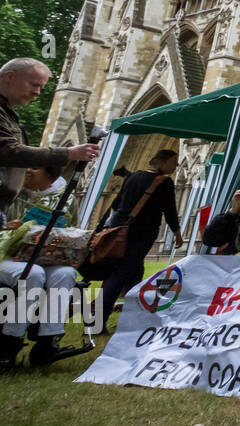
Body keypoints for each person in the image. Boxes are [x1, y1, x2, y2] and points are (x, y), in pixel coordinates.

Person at [0, 166, 86, 368]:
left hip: (43, 257)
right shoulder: (9, 191)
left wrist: (60, 238)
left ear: (51, 175)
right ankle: (10, 342)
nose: (28, 170)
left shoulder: (65, 198)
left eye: (36, 167)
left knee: (66, 273)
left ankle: (48, 342)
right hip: (6, 256)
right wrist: (4, 228)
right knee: (33, 274)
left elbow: (74, 229)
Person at [0, 58, 98, 211]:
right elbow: (8, 150)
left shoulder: (7, 112)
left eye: (41, 87)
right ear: (10, 76)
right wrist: (68, 153)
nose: (37, 92)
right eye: (34, 84)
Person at [97, 149, 183, 324]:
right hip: (142, 233)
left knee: (135, 271)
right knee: (121, 273)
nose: (175, 167)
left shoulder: (133, 177)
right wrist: (177, 233)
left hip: (120, 229)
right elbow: (170, 211)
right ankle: (98, 321)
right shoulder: (164, 183)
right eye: (173, 163)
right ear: (162, 162)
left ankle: (135, 314)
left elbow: (116, 203)